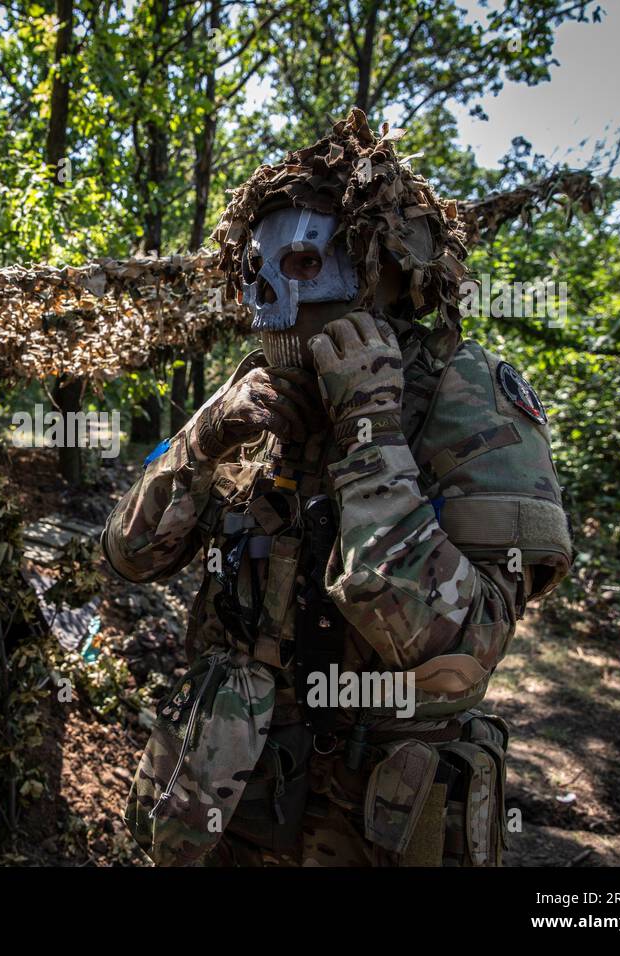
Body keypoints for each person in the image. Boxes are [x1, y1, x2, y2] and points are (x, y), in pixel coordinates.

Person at [109, 109, 573, 866]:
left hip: (376, 803)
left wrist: (370, 436)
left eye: (301, 267)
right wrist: (203, 439)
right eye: (258, 276)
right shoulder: (248, 393)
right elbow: (128, 557)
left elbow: (463, 648)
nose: (273, 307)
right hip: (228, 789)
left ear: (382, 269)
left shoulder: (467, 395)